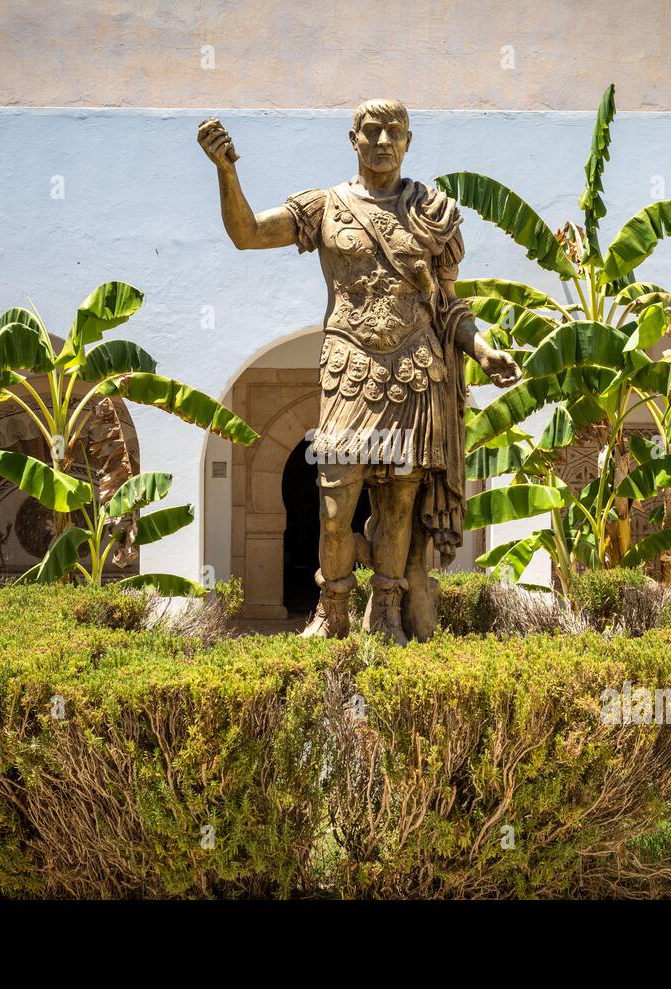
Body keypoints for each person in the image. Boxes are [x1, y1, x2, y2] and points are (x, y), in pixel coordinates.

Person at [197, 100, 522, 643]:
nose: (382, 140)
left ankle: (390, 608)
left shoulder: (431, 212)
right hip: (351, 371)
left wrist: (483, 350)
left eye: (394, 132)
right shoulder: (326, 207)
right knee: (333, 503)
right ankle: (334, 608)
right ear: (353, 139)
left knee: (398, 504)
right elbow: (248, 233)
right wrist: (227, 171)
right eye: (371, 131)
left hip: (418, 372)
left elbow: (449, 307)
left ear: (408, 141)